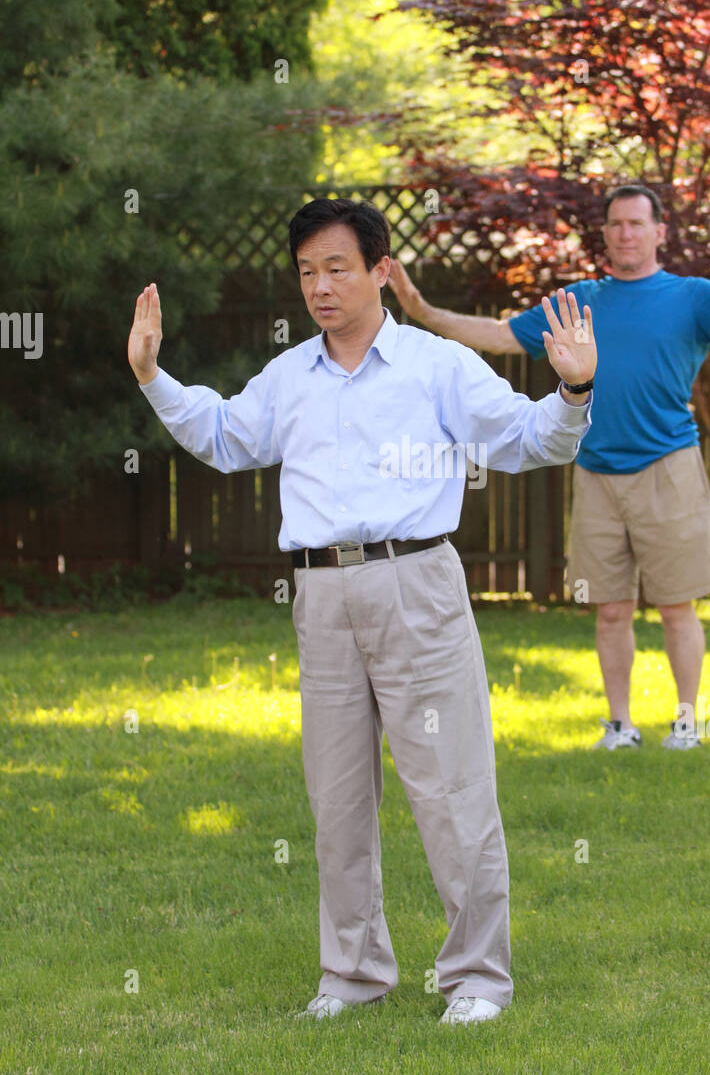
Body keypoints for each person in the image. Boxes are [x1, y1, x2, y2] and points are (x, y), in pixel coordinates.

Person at [127, 197, 597, 1024]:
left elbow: (531, 442)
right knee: (337, 797)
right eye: (307, 272)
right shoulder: (290, 375)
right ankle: (350, 975)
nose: (321, 287)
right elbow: (229, 438)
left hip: (416, 585)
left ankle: (478, 980)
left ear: (382, 269)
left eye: (338, 268)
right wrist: (152, 377)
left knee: (451, 788)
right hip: (321, 594)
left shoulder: (435, 367)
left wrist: (573, 386)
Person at [387, 185, 710, 751]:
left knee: (677, 606)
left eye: (637, 223)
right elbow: (498, 336)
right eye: (616, 224)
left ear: (660, 232)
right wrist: (419, 310)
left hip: (670, 468)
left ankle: (686, 723)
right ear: (607, 234)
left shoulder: (691, 298)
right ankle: (621, 726)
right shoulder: (579, 301)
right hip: (594, 471)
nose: (626, 233)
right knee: (611, 609)